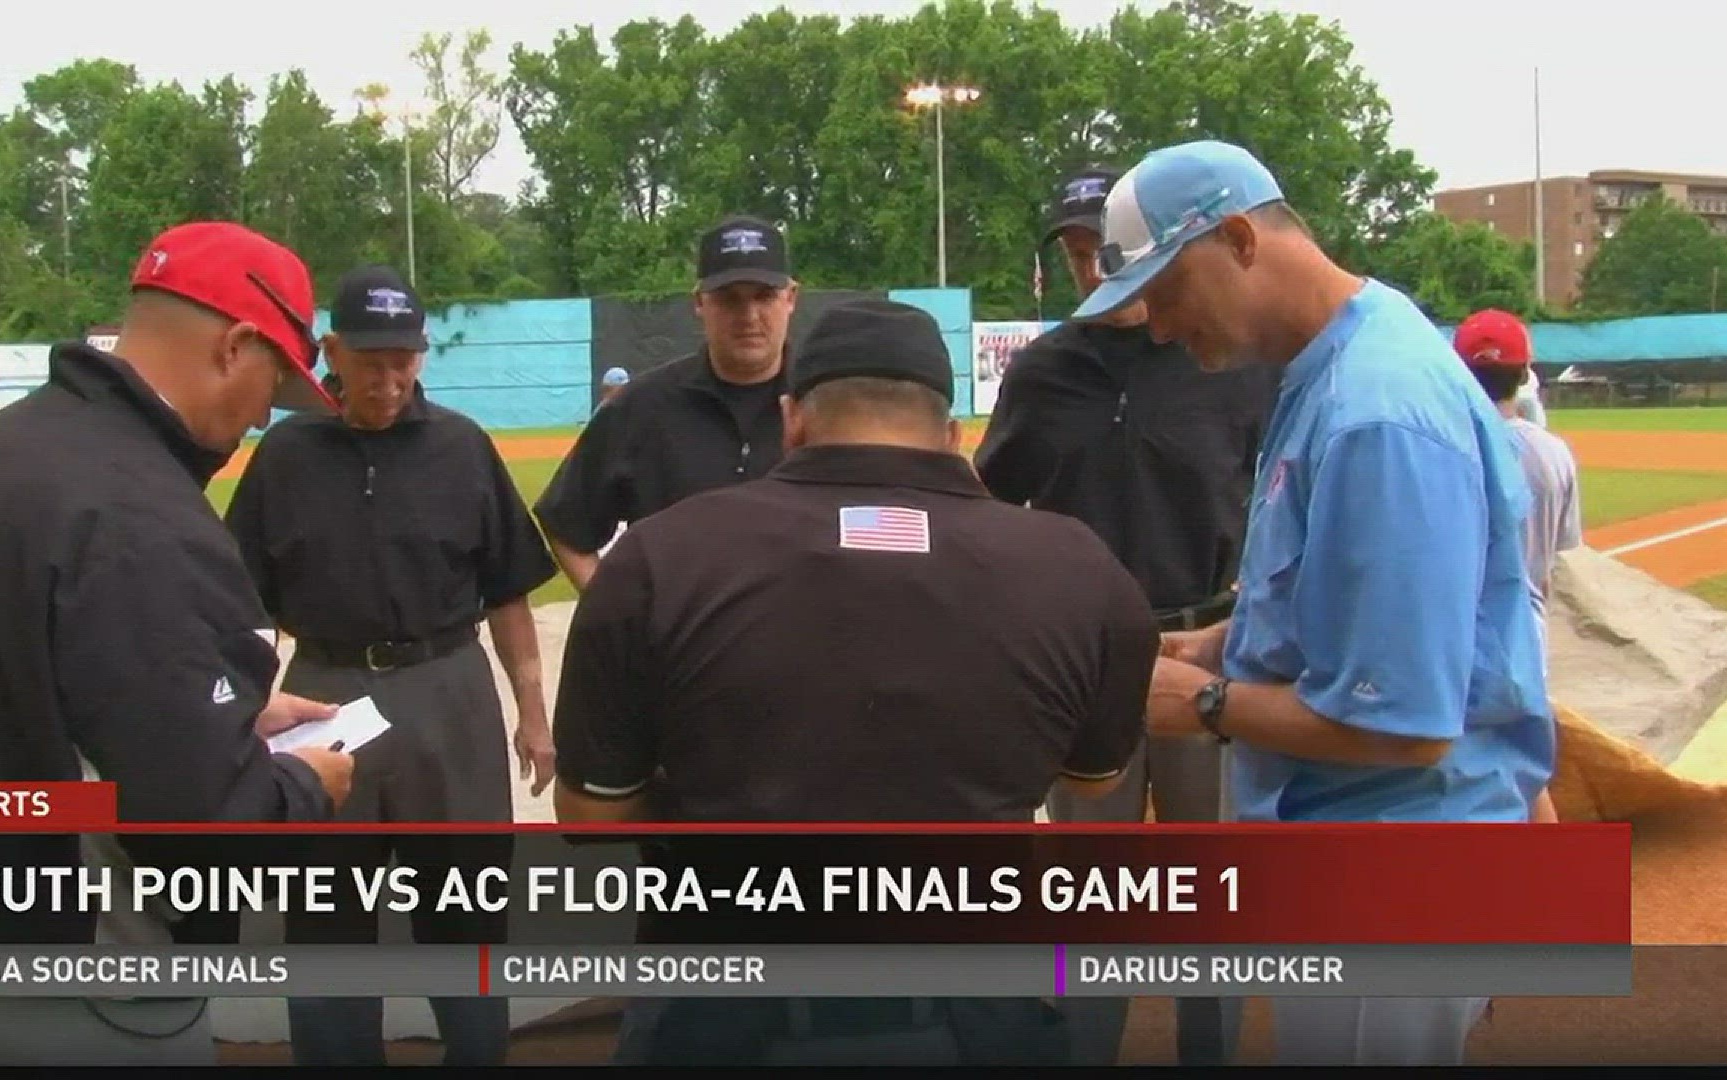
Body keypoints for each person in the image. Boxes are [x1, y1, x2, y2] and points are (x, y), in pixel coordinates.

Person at [551, 297, 1160, 1064]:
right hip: (972, 1007)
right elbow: (1094, 778)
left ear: (792, 419)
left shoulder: (657, 558)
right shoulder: (1081, 569)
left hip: (722, 1005)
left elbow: (589, 813)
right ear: (953, 435)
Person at [1076, 140, 1554, 1066]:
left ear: (1240, 240)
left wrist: (1204, 706)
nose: (1160, 329)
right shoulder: (1335, 366)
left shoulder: (1378, 409)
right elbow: (1349, 609)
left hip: (1401, 873)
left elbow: (1410, 725)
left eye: (1167, 291)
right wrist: (1220, 646)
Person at [0, 221, 356, 1066]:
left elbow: (35, 681)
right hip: (80, 967)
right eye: (272, 381)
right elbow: (204, 833)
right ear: (236, 347)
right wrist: (308, 787)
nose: (260, 419)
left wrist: (221, 708)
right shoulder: (143, 515)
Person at [976, 163, 1277, 1065]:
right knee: (1084, 888)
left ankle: (1208, 1053)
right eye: (1072, 252)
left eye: (1099, 248)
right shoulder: (1045, 372)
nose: (1087, 268)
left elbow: (1278, 497)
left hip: (1207, 642)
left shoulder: (1219, 356)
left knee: (1209, 887)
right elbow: (991, 508)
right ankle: (1081, 1051)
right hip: (1083, 661)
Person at [225, 264, 558, 1066]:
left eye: (404, 357)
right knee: (326, 911)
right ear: (331, 352)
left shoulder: (462, 447)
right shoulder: (286, 454)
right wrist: (238, 715)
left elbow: (508, 591)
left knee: (467, 905)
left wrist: (534, 713)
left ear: (422, 353)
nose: (389, 376)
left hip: (447, 685)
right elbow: (245, 605)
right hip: (324, 692)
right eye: (370, 358)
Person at [534, 214, 798, 592]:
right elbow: (566, 522)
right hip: (680, 646)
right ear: (699, 303)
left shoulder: (827, 403)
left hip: (797, 642)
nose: (748, 316)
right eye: (729, 299)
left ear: (791, 299)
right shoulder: (642, 407)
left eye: (763, 296)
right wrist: (612, 614)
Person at [1455, 308, 1580, 825]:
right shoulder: (1554, 451)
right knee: (1524, 772)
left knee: (1465, 773)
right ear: (1525, 372)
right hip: (1529, 622)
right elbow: (1560, 557)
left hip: (1473, 628)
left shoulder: (1458, 443)